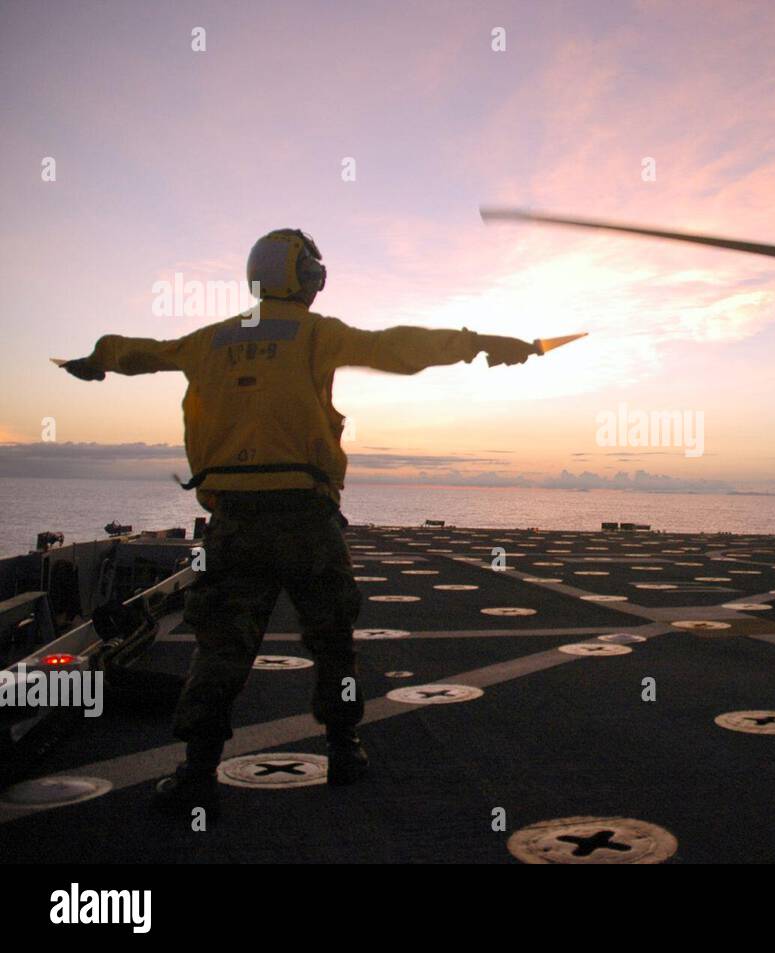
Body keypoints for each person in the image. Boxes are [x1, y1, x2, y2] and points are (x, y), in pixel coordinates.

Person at [61, 228, 536, 817]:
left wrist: (96, 359)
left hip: (233, 523)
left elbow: (142, 351)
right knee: (333, 641)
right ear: (303, 276)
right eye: (314, 271)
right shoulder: (316, 332)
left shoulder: (210, 339)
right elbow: (399, 346)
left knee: (220, 648)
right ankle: (343, 747)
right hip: (305, 520)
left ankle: (198, 771)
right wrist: (481, 341)